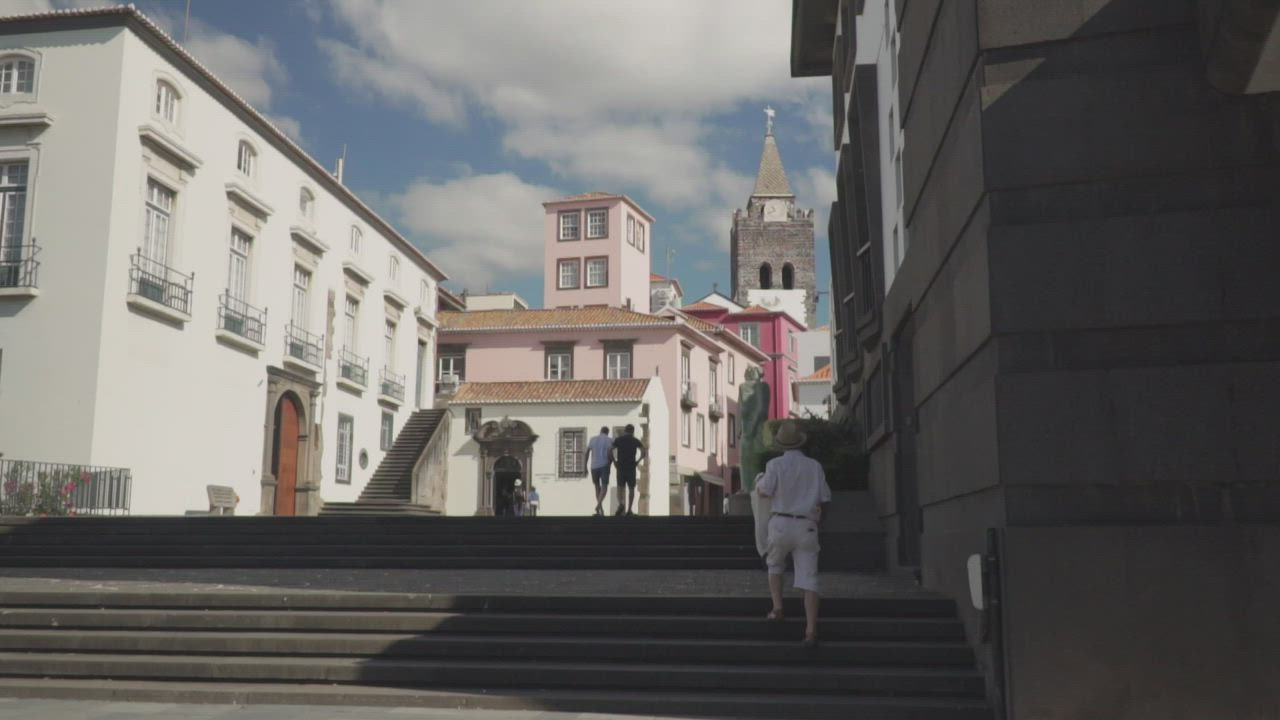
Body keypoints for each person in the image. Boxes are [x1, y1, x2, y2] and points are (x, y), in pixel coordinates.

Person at [757, 419, 831, 646]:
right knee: (809, 579)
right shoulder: (815, 466)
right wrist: (818, 522)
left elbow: (765, 491)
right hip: (806, 524)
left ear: (781, 444)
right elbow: (825, 498)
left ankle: (778, 607)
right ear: (801, 443)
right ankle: (810, 630)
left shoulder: (774, 465)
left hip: (780, 523)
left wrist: (759, 486)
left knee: (775, 565)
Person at [610, 424, 647, 516]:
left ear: (625, 431)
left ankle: (621, 504)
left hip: (621, 466)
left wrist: (614, 461)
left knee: (620, 487)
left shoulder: (619, 440)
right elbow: (643, 451)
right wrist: (638, 461)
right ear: (632, 431)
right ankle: (629, 509)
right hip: (631, 467)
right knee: (631, 488)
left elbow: (609, 450)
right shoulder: (635, 440)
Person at [584, 426, 613, 516]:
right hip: (604, 465)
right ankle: (598, 505)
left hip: (594, 466)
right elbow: (609, 453)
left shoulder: (592, 439)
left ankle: (600, 509)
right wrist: (611, 462)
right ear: (607, 432)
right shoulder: (610, 440)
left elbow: (587, 452)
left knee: (597, 487)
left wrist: (585, 466)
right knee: (604, 487)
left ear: (600, 431)